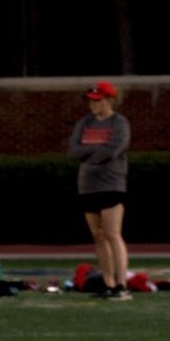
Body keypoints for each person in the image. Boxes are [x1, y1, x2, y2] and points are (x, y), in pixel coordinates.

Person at [68, 81, 130, 300]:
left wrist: (89, 153)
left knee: (113, 233)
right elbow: (73, 151)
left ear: (110, 100)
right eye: (91, 101)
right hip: (87, 185)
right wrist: (94, 151)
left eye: (98, 100)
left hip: (111, 184)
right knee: (98, 235)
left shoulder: (119, 123)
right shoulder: (84, 123)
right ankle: (108, 283)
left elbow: (113, 150)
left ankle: (121, 285)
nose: (93, 105)